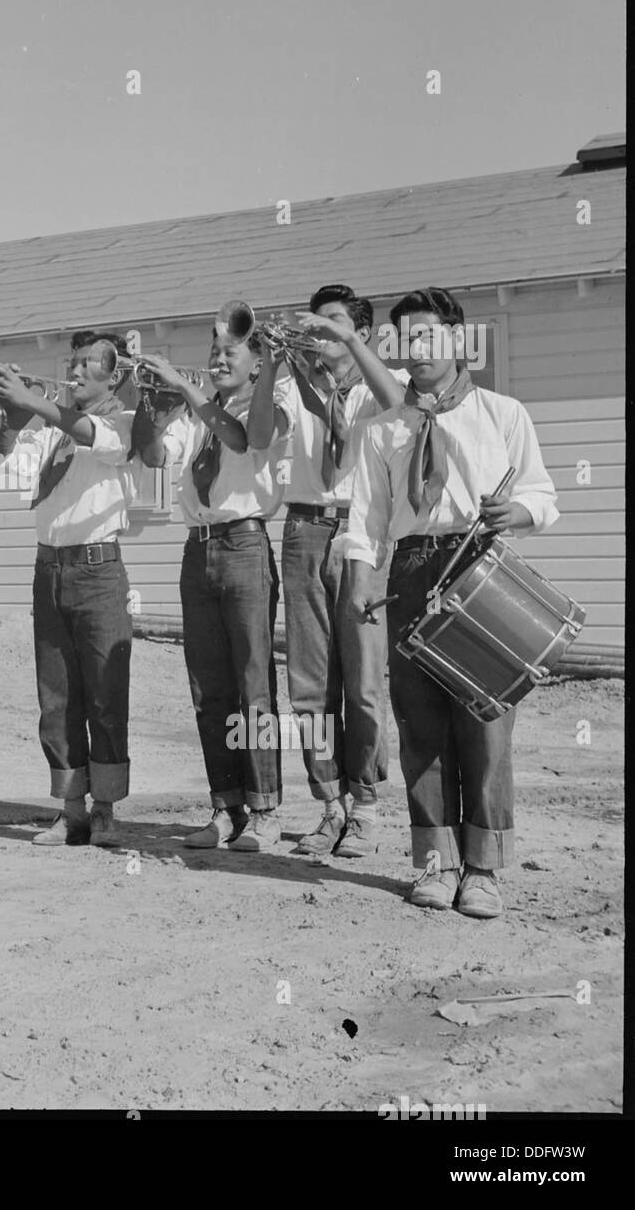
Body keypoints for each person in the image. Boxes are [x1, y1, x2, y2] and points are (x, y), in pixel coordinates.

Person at [341, 287, 559, 918]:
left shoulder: (504, 414)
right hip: (411, 570)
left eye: (429, 337)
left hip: (481, 568)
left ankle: (483, 868)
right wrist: (362, 579)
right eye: (407, 340)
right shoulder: (383, 428)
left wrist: (517, 510)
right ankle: (436, 862)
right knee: (421, 720)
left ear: (459, 340)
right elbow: (367, 515)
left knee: (485, 721)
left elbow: (544, 494)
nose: (417, 351)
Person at [136, 322, 292, 852]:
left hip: (245, 544)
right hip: (197, 547)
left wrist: (185, 388)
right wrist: (152, 409)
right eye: (214, 352)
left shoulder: (268, 403)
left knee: (254, 685)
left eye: (231, 352)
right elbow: (156, 457)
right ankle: (226, 807)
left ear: (256, 364)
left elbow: (243, 438)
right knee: (208, 689)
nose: (219, 359)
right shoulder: (193, 412)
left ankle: (265, 807)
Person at [0, 332, 136, 848]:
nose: (73, 373)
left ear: (113, 375)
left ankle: (106, 810)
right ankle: (70, 808)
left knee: (104, 692)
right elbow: (4, 459)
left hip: (98, 570)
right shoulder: (51, 428)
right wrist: (6, 410)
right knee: (57, 696)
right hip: (49, 569)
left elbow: (96, 436)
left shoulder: (124, 419)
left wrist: (37, 402)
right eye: (70, 364)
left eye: (85, 366)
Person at [274, 286, 406, 859]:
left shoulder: (383, 379)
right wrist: (277, 357)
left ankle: (367, 805)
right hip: (303, 528)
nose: (320, 332)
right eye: (316, 322)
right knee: (309, 682)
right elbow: (256, 434)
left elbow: (400, 403)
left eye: (334, 324)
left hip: (362, 532)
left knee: (365, 680)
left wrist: (347, 344)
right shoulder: (289, 384)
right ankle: (330, 804)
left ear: (362, 333)